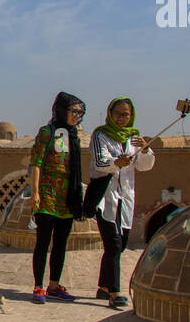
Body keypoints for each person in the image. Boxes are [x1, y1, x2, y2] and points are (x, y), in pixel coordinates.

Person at [89, 96, 155, 308]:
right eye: (117, 114)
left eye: (125, 114)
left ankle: (104, 287)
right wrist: (116, 162)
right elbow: (100, 162)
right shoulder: (101, 135)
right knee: (113, 244)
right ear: (110, 114)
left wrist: (145, 150)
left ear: (131, 116)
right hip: (105, 197)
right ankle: (116, 292)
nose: (121, 118)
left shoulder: (133, 138)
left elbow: (144, 166)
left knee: (121, 243)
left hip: (125, 197)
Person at [28, 91, 85, 303]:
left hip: (66, 196)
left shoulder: (65, 135)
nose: (77, 116)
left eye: (80, 113)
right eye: (74, 111)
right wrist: (35, 193)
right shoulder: (47, 132)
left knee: (61, 243)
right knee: (43, 243)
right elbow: (37, 163)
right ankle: (38, 287)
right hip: (47, 195)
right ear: (62, 110)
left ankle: (54, 285)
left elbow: (61, 161)